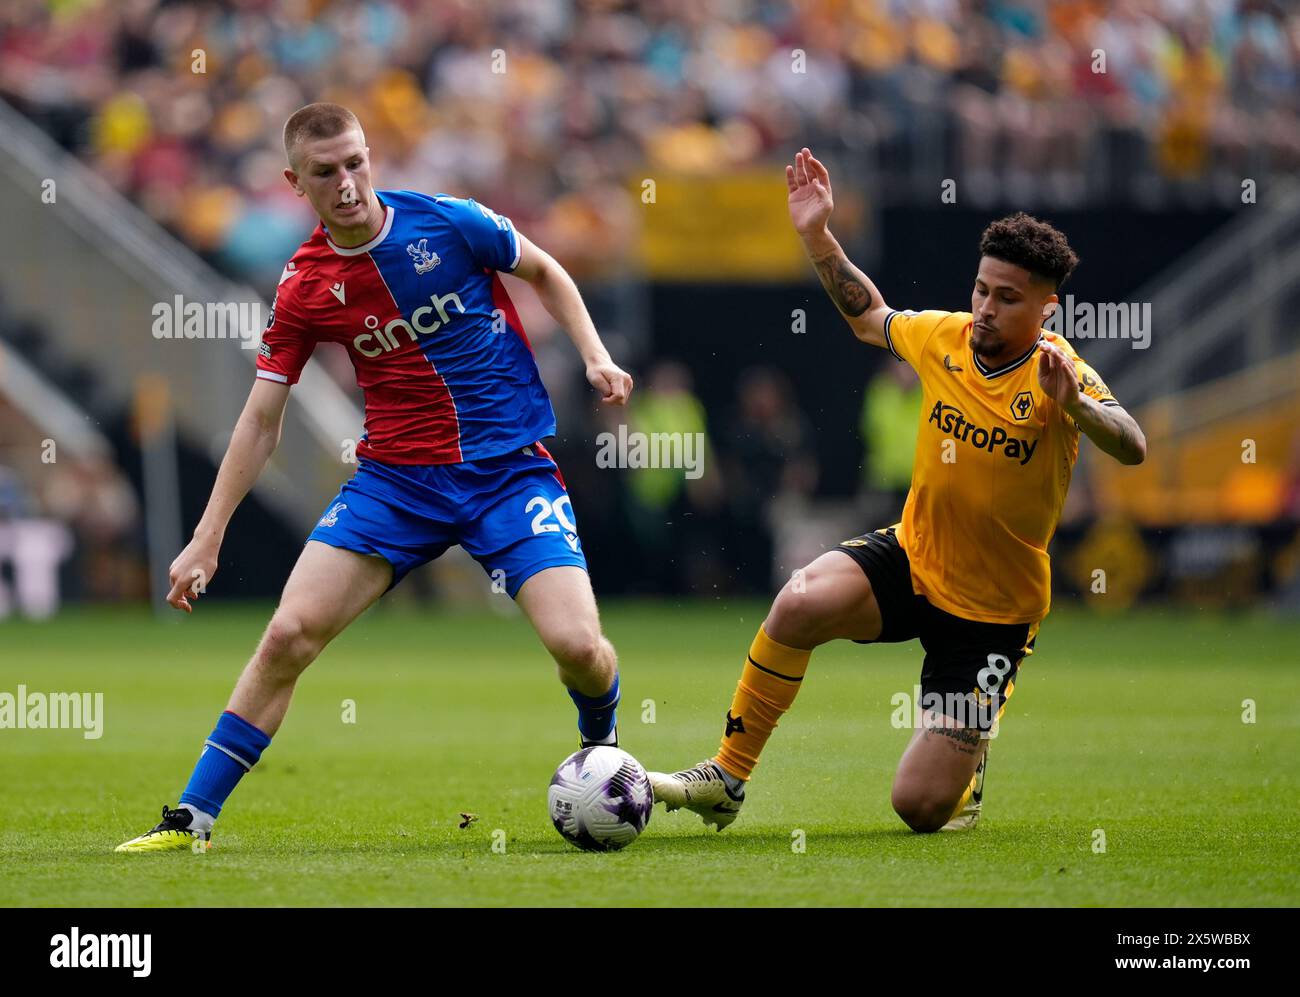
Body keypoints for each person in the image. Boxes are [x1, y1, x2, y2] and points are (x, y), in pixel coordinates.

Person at [116, 103, 634, 851]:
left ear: (371, 158)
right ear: (297, 183)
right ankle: (190, 816)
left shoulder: (450, 222)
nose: (348, 183)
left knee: (580, 649)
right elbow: (261, 419)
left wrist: (594, 356)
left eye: (356, 162)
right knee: (289, 634)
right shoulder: (304, 286)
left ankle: (604, 748)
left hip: (508, 474)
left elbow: (546, 269)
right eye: (326, 172)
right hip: (396, 484)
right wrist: (206, 539)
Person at [650, 148, 1146, 833]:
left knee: (918, 807)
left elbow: (1133, 442)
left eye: (1008, 297)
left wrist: (1080, 409)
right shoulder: (943, 337)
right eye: (982, 289)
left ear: (1046, 306)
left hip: (993, 613)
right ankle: (727, 776)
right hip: (914, 558)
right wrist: (816, 235)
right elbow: (867, 314)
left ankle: (968, 759)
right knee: (798, 601)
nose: (986, 308)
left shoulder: (1062, 374)